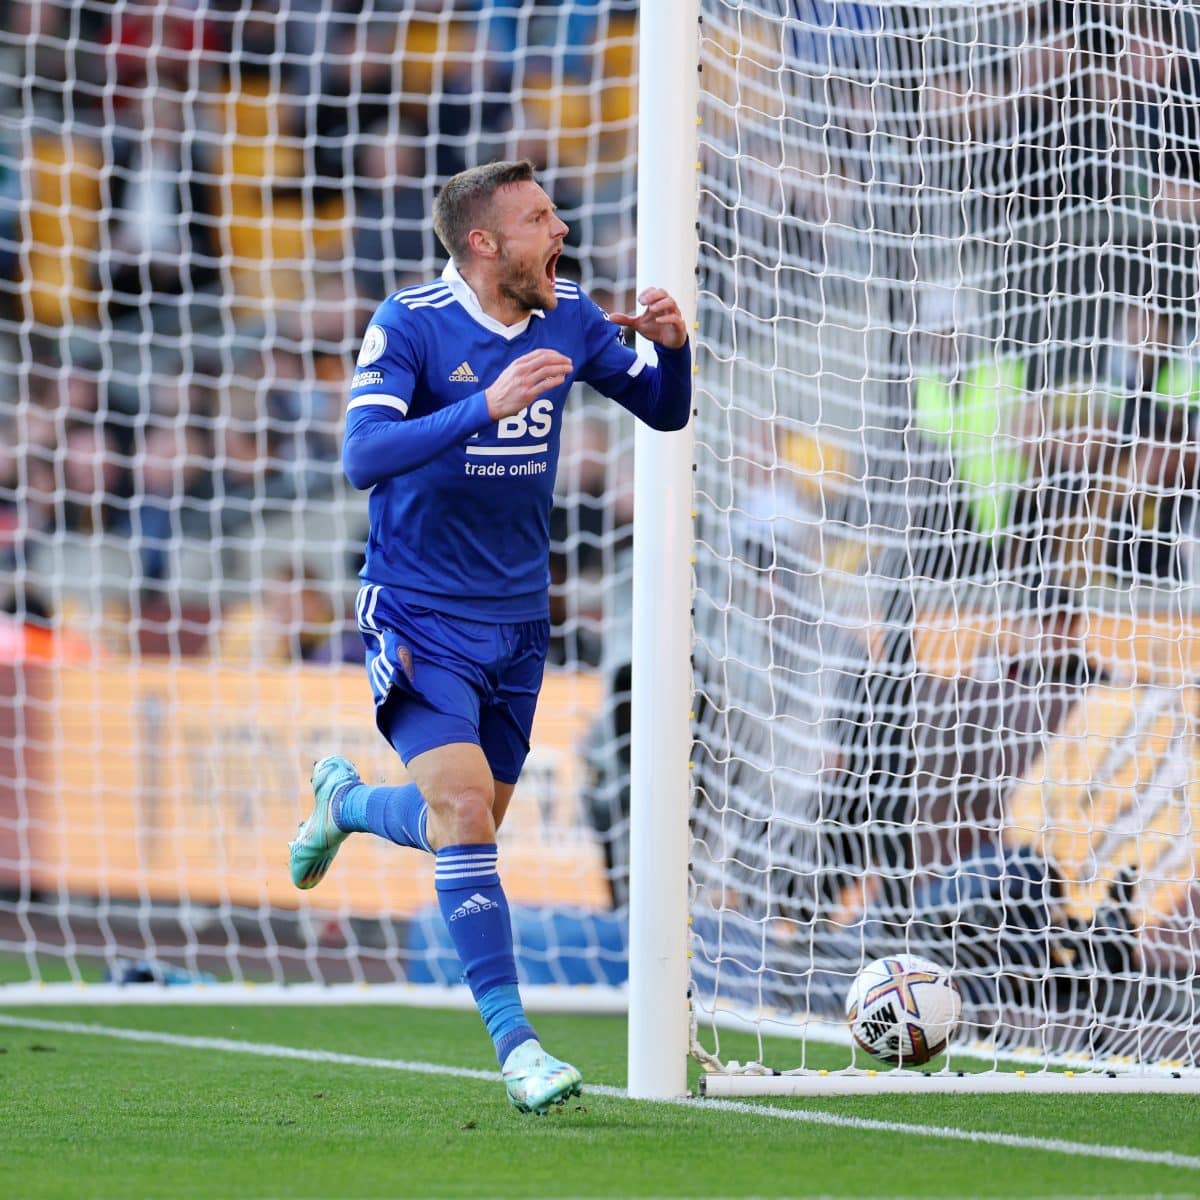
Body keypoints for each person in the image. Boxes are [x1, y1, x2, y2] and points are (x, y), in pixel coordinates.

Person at [287, 160, 691, 1113]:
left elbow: (667, 413)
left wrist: (673, 351)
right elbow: (362, 456)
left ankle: (344, 806)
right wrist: (485, 405)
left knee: (463, 823)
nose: (561, 230)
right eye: (540, 218)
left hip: (518, 618)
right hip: (418, 606)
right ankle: (519, 1052)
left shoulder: (572, 317)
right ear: (483, 242)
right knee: (466, 815)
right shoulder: (410, 322)